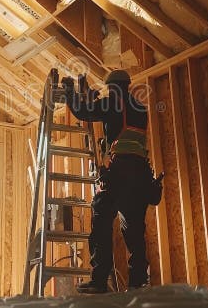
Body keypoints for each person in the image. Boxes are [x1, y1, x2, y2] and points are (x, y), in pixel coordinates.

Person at [64, 69, 153, 293]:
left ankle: (99, 280)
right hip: (140, 175)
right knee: (134, 232)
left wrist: (69, 92)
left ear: (111, 87)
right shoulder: (140, 107)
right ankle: (137, 283)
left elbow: (83, 112)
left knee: (101, 221)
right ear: (127, 85)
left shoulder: (112, 102)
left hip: (119, 172)